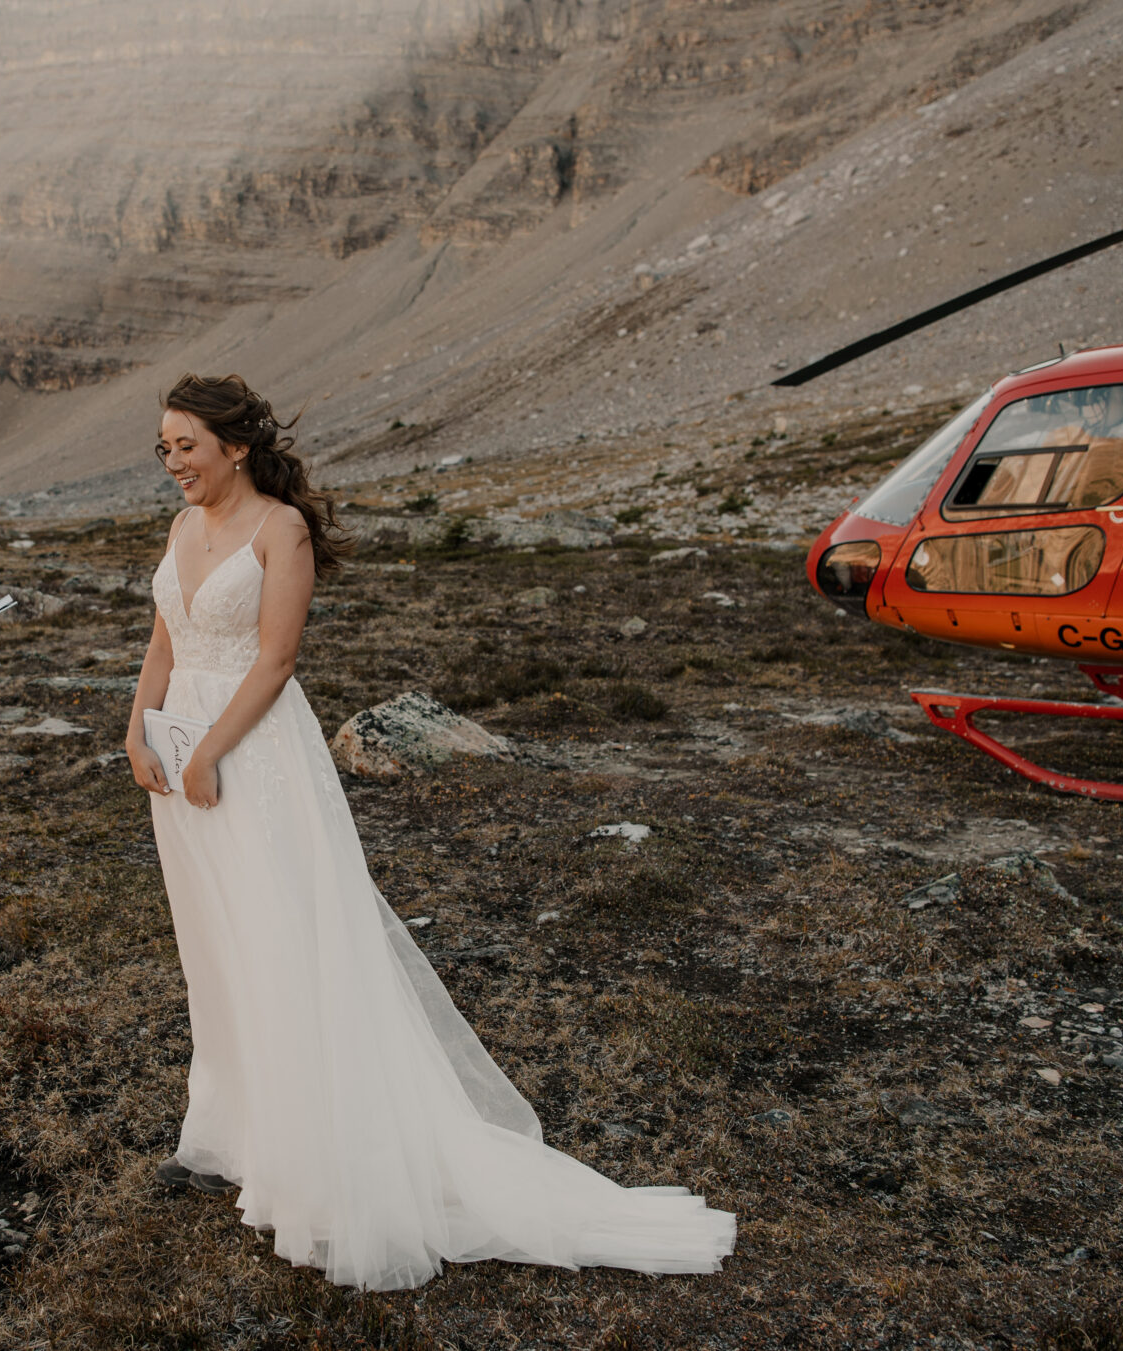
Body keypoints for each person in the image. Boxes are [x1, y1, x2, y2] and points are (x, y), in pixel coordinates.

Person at [125, 373, 737, 1291]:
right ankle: (230, 1130)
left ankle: (314, 1155)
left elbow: (278, 656)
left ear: (235, 446)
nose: (172, 462)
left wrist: (211, 748)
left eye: (186, 445)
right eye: (163, 446)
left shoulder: (277, 529)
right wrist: (137, 724)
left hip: (252, 756)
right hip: (179, 757)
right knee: (215, 946)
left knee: (284, 939)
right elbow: (166, 639)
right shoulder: (180, 529)